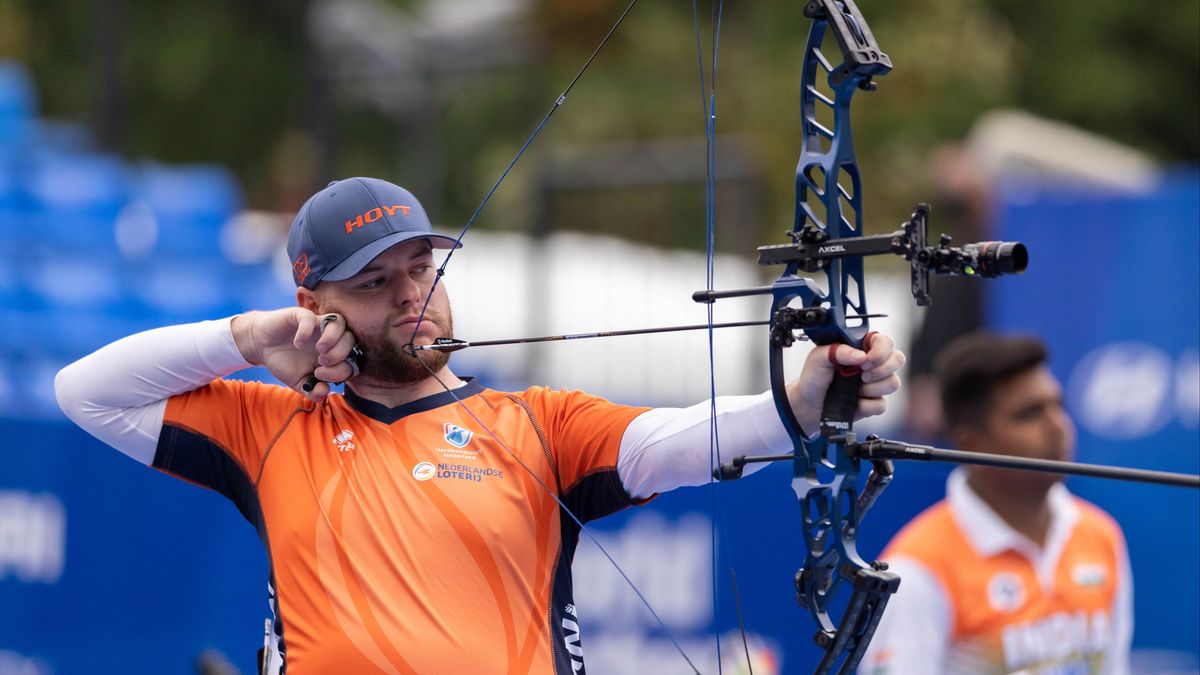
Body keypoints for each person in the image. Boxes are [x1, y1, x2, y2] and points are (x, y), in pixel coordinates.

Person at [55, 177, 906, 674]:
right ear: (316, 307)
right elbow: (84, 391)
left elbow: (679, 443)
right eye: (375, 281)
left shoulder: (536, 424)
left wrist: (797, 406)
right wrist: (246, 337)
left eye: (421, 266)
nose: (411, 293)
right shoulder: (270, 426)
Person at [860, 332, 1132, 675]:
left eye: (1057, 405)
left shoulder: (1101, 535)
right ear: (972, 443)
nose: (1058, 426)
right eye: (1029, 414)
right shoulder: (917, 569)